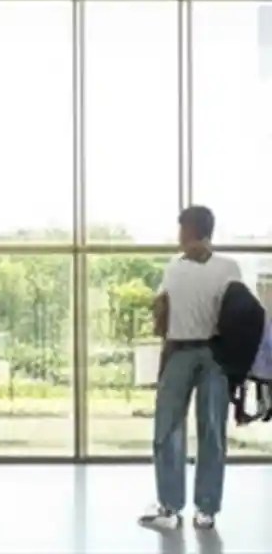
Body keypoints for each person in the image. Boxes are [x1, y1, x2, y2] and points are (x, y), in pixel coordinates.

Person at [139, 206, 240, 530]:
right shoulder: (176, 267)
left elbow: (238, 317)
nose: (179, 235)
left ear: (191, 230)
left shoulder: (226, 267)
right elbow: (164, 315)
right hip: (185, 352)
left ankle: (196, 508)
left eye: (181, 229)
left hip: (209, 353)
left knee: (204, 430)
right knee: (175, 428)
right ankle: (179, 507)